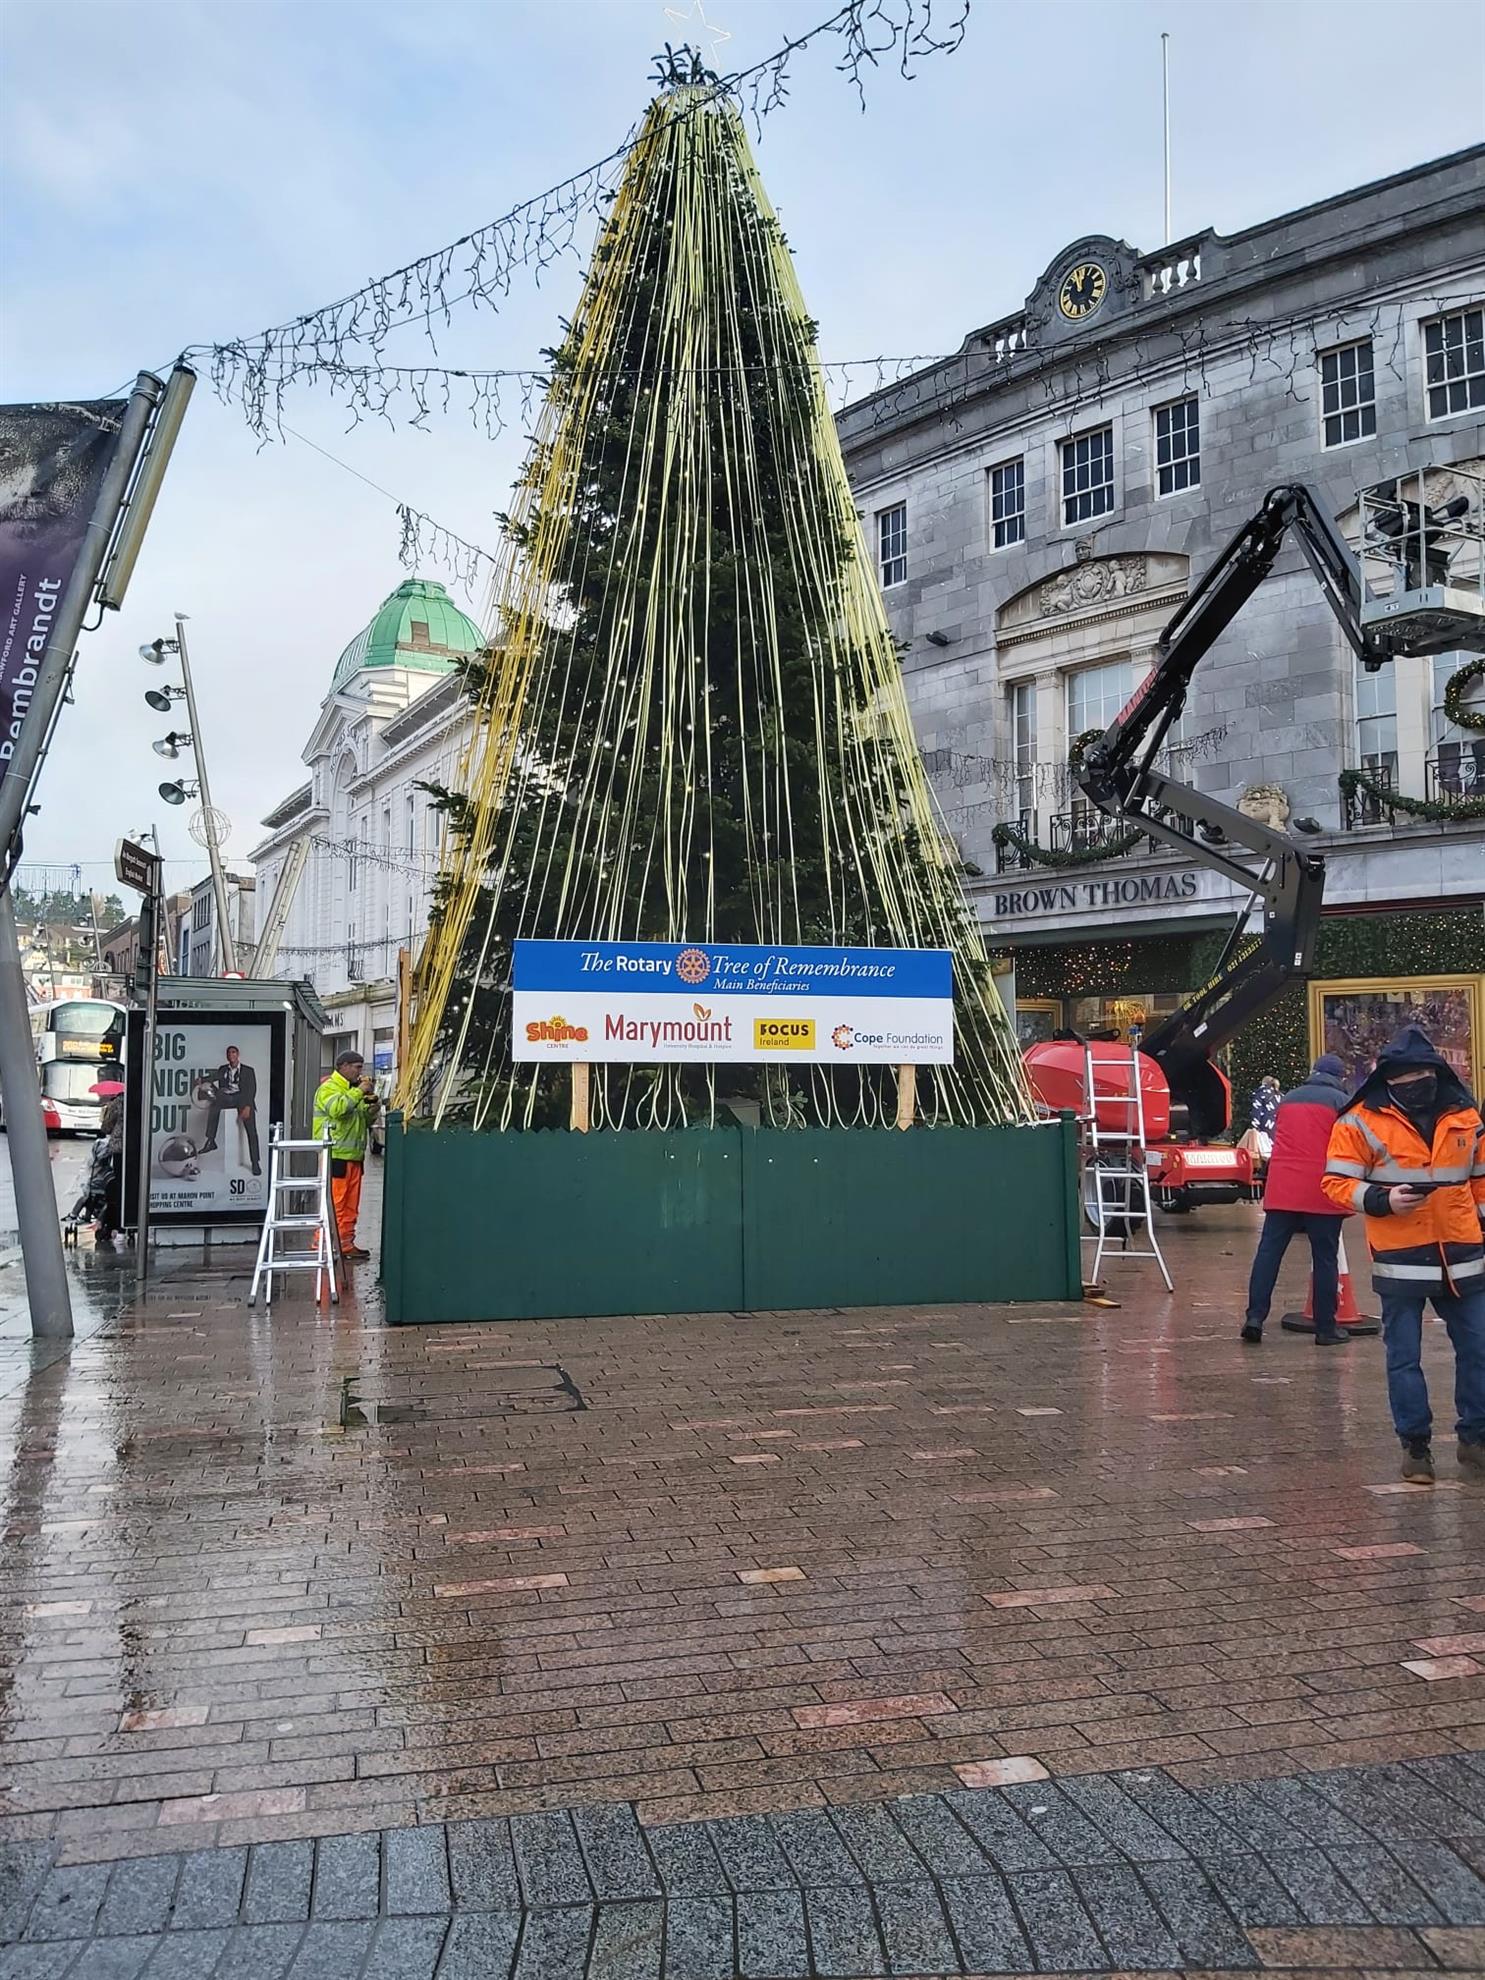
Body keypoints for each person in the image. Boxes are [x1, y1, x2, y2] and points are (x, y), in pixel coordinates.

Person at [1323, 1024, 1485, 1484]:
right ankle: (1416, 1447)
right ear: (1388, 1082)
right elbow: (1335, 1183)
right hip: (1402, 1255)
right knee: (1404, 1357)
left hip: (1463, 1254)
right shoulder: (1359, 1123)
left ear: (1436, 1074)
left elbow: (1480, 1179)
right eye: (1406, 1082)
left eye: (1424, 1078)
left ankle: (1475, 1439)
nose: (1418, 1088)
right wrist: (1382, 1199)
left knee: (1478, 1350)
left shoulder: (1465, 1116)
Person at [1241, 1054, 1352, 1347]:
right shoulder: (1342, 1102)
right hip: (1322, 1188)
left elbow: (1278, 1134)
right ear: (1340, 1077)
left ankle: (1254, 1318)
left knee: (1268, 1253)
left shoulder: (1288, 1098)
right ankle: (1326, 1328)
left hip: (1283, 1187)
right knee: (1325, 1258)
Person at [313, 1049, 379, 1261]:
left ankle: (345, 1244)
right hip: (335, 1155)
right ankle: (322, 1244)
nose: (360, 1073)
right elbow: (338, 1109)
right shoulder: (329, 1088)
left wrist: (372, 1109)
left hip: (353, 1157)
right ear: (343, 1066)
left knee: (350, 1207)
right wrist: (360, 1092)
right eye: (357, 1068)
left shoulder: (352, 1090)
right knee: (336, 1204)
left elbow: (361, 1121)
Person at [200, 1045, 260, 1176]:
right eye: (228, 1053)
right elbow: (214, 1076)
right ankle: (211, 1140)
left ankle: (255, 1162)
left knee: (252, 1131)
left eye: (233, 1053)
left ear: (237, 1055)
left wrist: (247, 1107)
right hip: (227, 1097)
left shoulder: (248, 1071)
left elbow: (251, 1090)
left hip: (242, 1099)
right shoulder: (223, 1069)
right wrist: (201, 1080)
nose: (231, 1055)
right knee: (214, 1106)